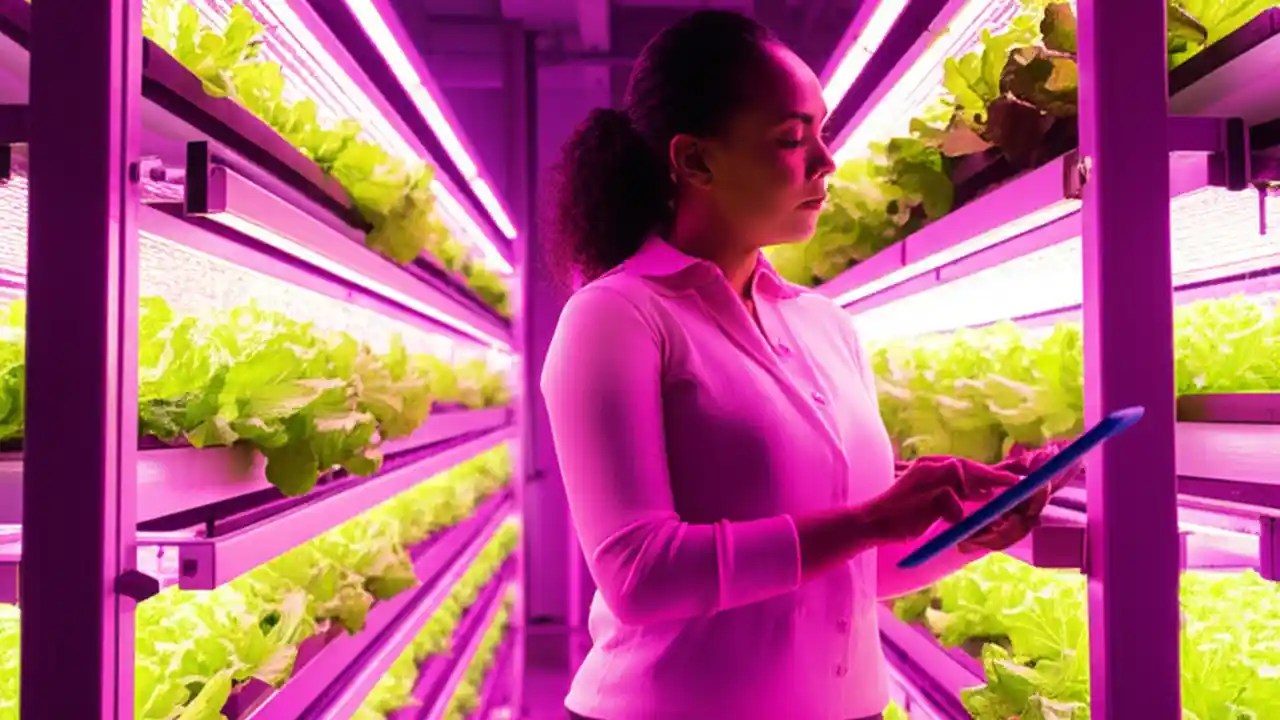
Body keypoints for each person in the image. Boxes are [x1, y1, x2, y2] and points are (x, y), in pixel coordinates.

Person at [540, 10, 1064, 720]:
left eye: (820, 131)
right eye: (792, 138)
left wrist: (970, 531)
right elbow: (638, 574)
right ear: (693, 160)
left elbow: (862, 572)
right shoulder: (617, 317)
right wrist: (869, 519)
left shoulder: (826, 325)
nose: (826, 161)